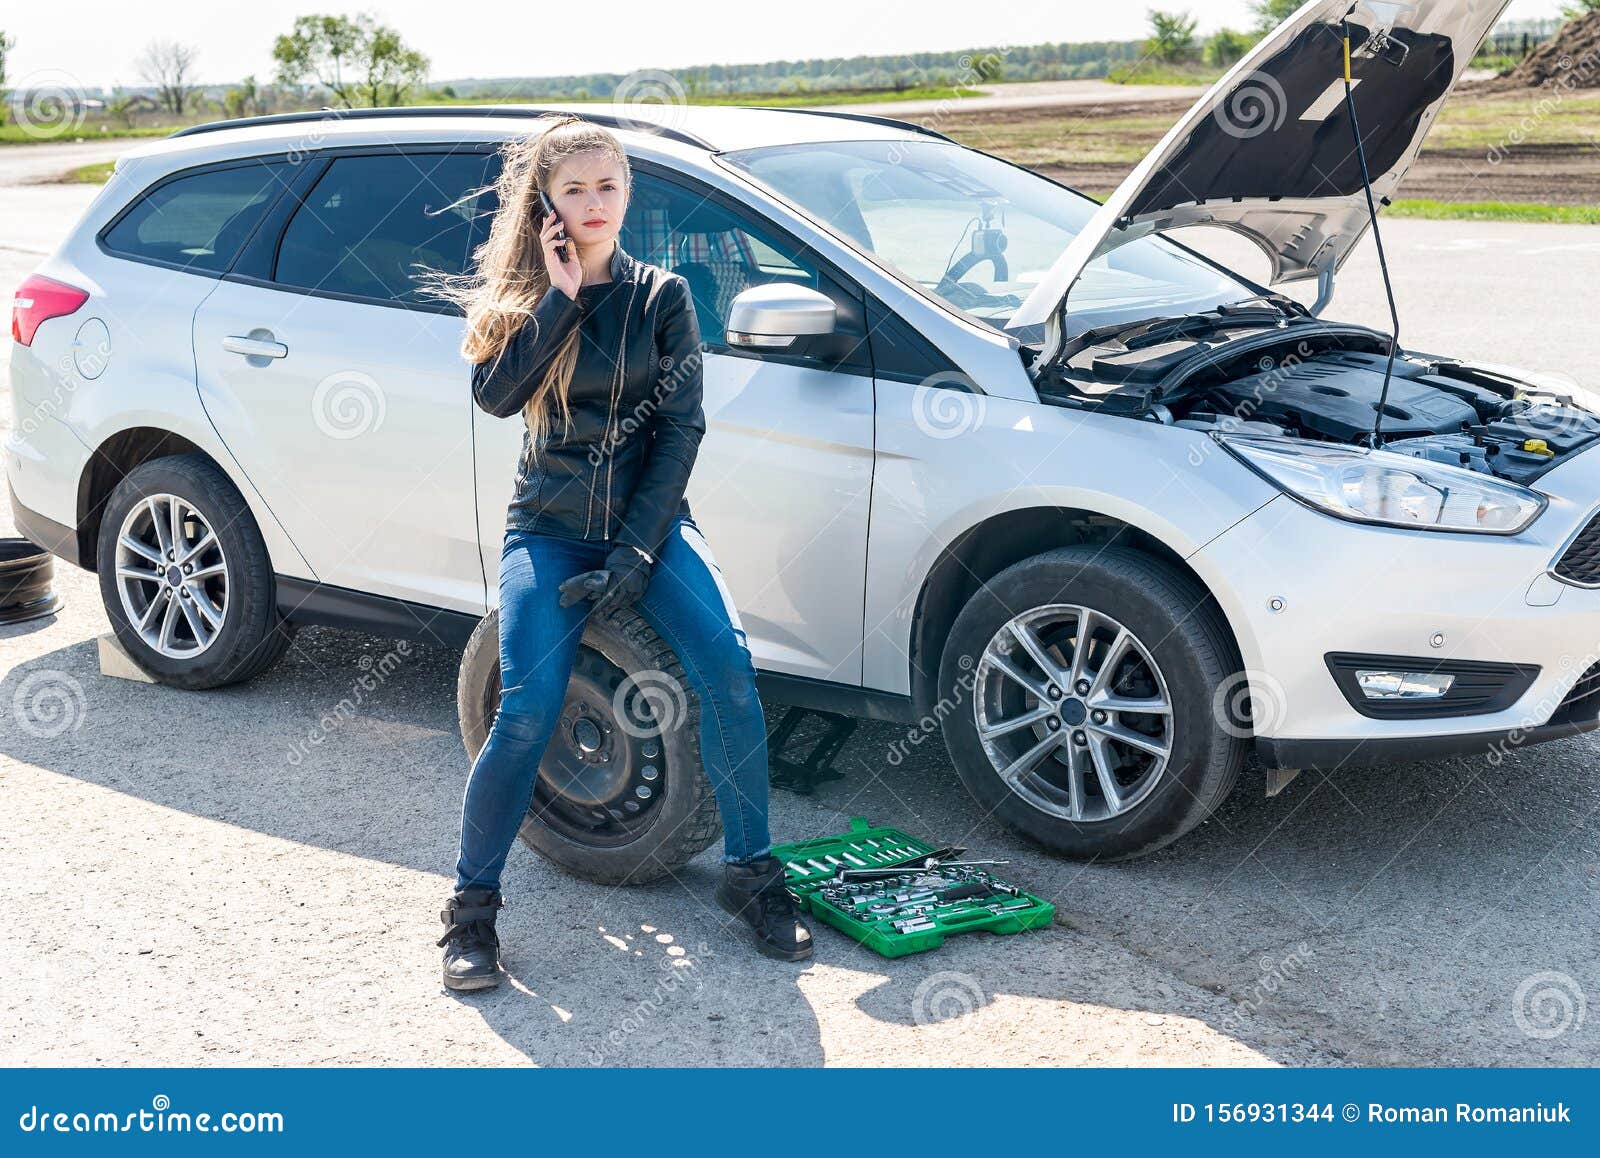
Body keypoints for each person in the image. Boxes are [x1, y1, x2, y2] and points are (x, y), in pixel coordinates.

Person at [429, 114, 812, 991]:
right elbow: (496, 397)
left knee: (728, 668)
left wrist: (638, 554)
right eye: (575, 189)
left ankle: (752, 876)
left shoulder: (663, 297)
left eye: (609, 187)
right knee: (525, 706)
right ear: (548, 204)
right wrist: (561, 299)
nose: (595, 203)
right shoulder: (529, 301)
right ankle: (471, 914)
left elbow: (681, 431)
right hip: (549, 532)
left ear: (628, 193)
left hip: (654, 529)